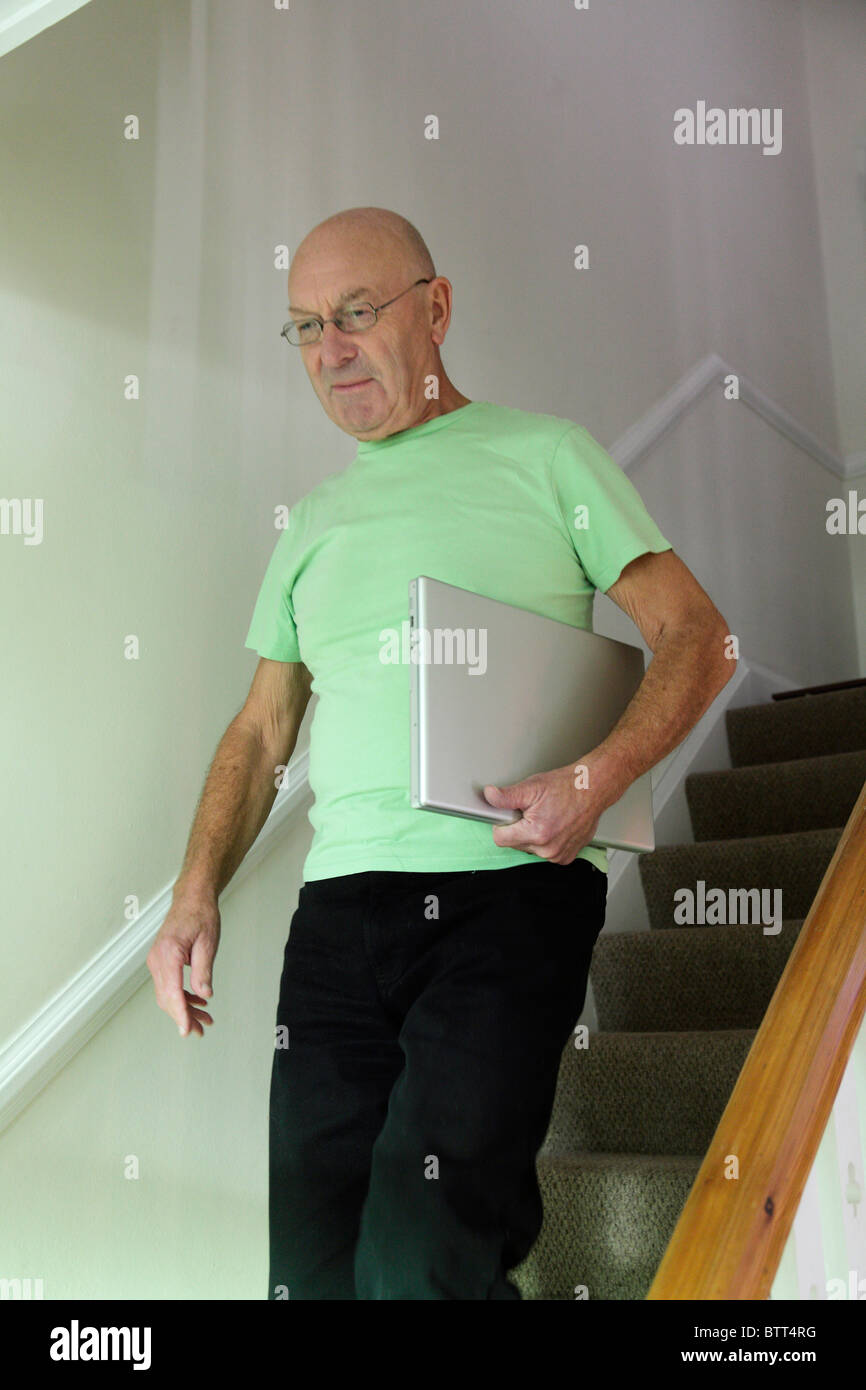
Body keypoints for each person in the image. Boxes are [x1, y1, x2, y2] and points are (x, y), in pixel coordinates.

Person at [147, 206, 735, 1299]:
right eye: (304, 325)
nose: (328, 350)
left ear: (438, 309)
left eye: (356, 313)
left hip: (505, 898)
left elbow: (697, 638)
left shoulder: (545, 455)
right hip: (334, 923)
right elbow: (260, 728)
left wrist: (590, 779)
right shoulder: (312, 521)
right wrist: (192, 893)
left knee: (422, 1252)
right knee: (314, 1273)